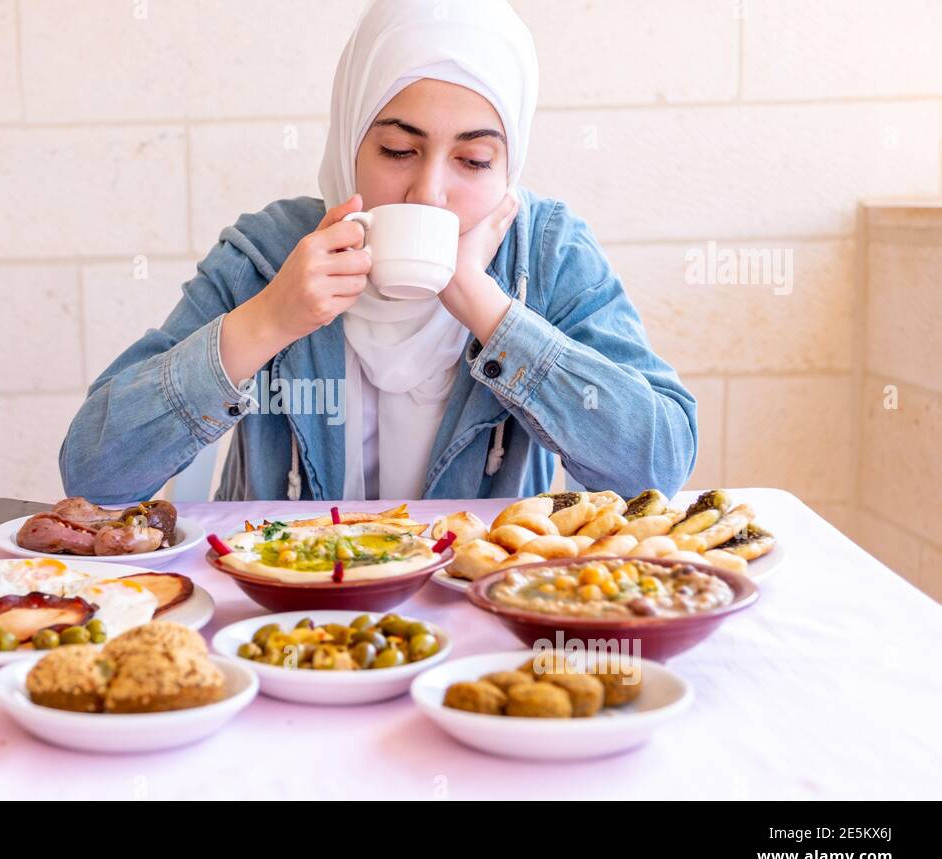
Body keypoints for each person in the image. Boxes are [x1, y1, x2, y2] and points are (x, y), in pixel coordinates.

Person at [60, 0, 697, 503]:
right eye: (398, 150)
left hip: (479, 609)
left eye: (473, 160)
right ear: (349, 144)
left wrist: (492, 314)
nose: (430, 194)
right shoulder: (270, 252)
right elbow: (95, 472)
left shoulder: (545, 252)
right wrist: (267, 321)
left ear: (510, 165)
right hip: (288, 614)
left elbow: (657, 466)